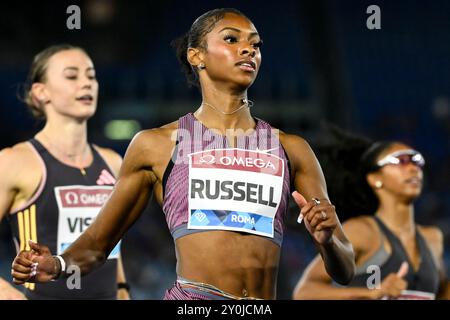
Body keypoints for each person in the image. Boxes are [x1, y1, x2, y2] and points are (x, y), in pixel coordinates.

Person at [11, 9, 355, 300]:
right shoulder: (157, 145)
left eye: (255, 44)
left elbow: (345, 267)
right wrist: (56, 264)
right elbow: (98, 242)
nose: (249, 50)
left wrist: (326, 242)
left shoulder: (291, 149)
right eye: (232, 40)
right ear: (197, 56)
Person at [0, 44, 129, 300]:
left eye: (91, 76)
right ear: (41, 91)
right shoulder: (15, 161)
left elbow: (110, 245)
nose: (86, 84)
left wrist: (123, 291)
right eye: (72, 76)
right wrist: (8, 295)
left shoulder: (113, 162)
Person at [293, 126, 450, 299]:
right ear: (375, 179)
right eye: (402, 160)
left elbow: (442, 291)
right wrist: (374, 293)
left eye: (417, 161)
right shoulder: (363, 231)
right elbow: (304, 293)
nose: (414, 168)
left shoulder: (433, 238)